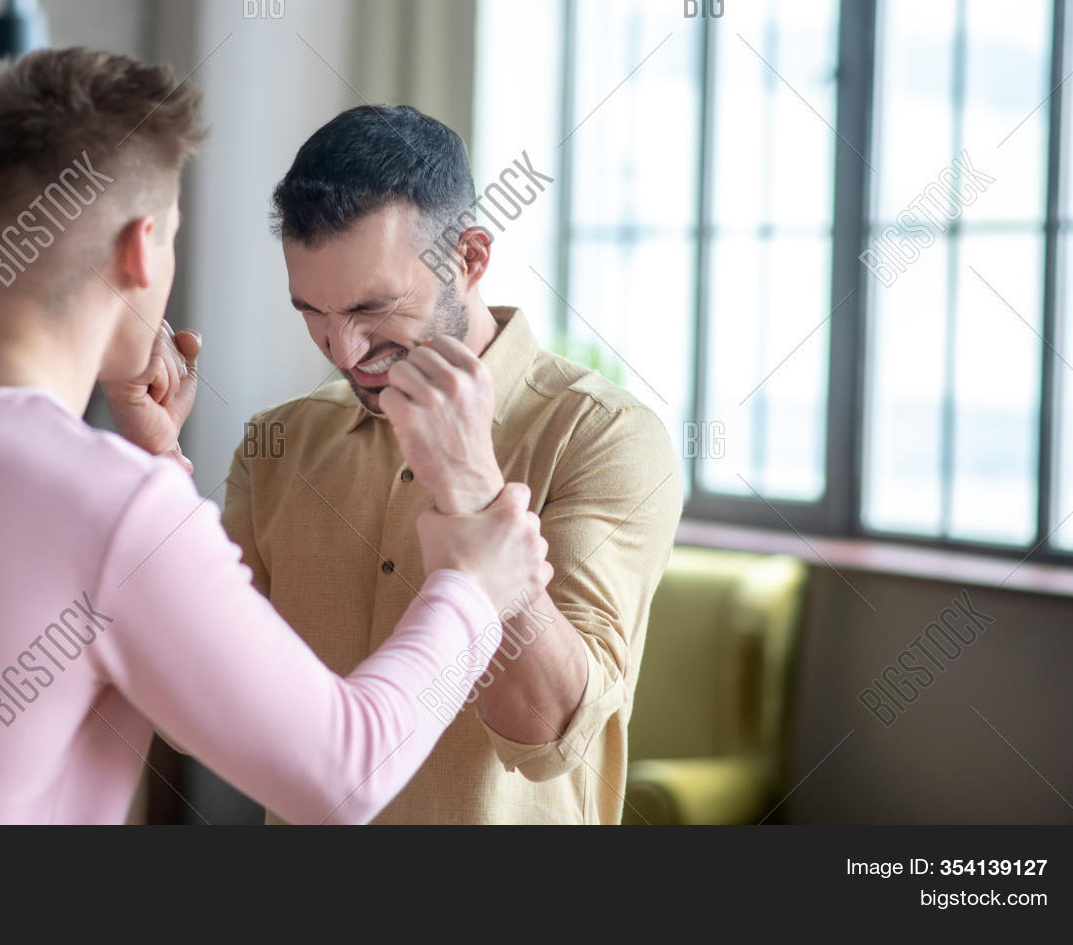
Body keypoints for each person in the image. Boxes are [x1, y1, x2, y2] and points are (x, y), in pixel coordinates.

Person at [0, 51, 550, 825]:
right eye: (173, 234)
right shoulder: (113, 509)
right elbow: (345, 776)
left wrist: (154, 471)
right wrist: (475, 587)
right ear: (143, 251)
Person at [112, 105, 683, 824]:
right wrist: (156, 460)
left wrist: (472, 490)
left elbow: (551, 739)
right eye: (311, 312)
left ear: (469, 258)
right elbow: (188, 708)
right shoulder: (280, 443)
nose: (344, 351)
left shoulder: (605, 438)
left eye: (372, 308)